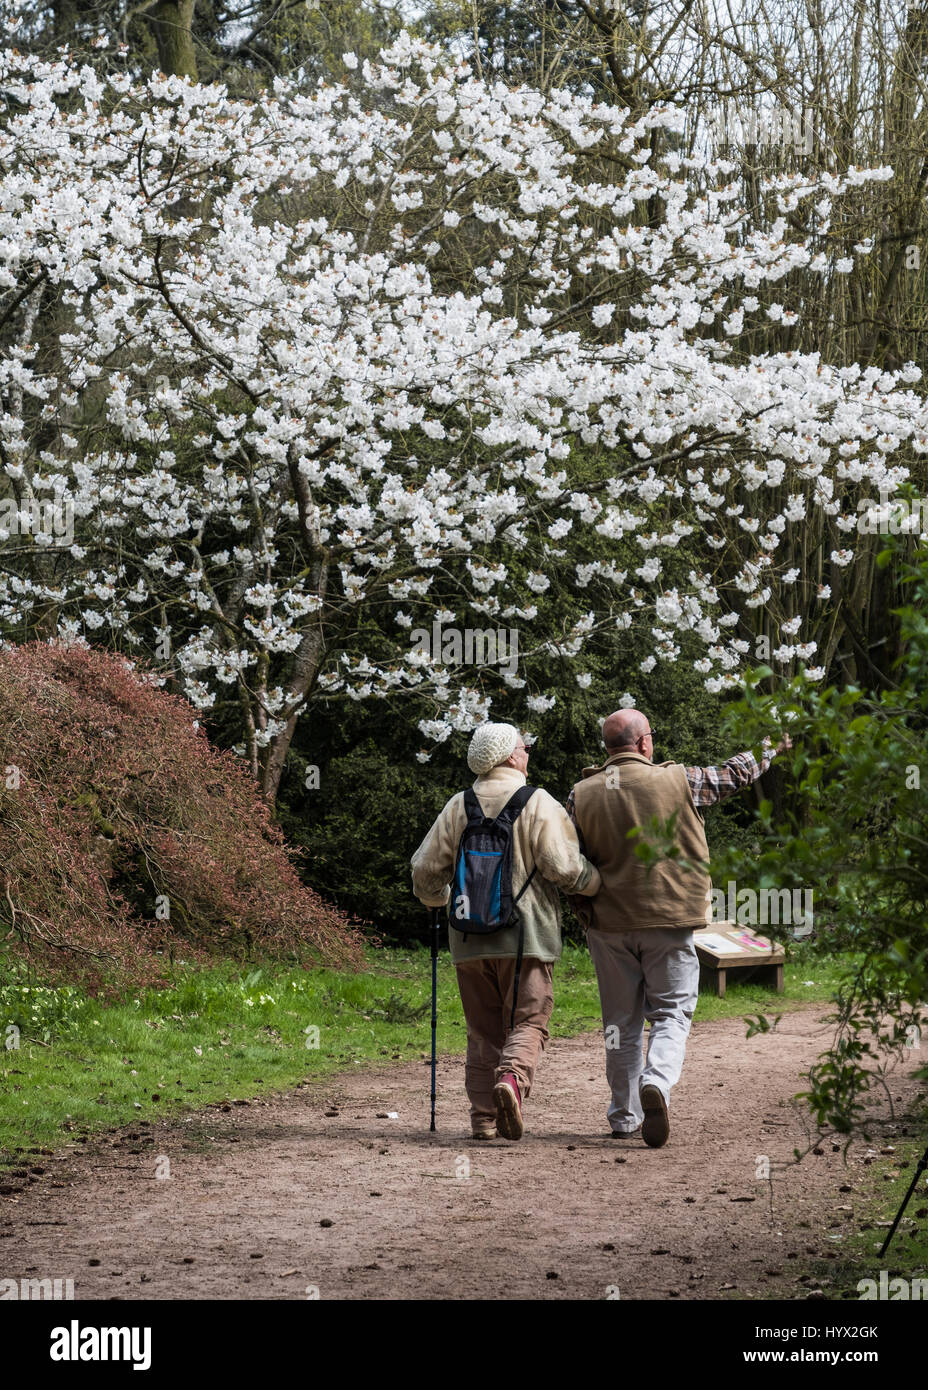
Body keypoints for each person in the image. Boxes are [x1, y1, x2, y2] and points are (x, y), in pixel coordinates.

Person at [567, 709, 791, 1148]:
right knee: (671, 1013)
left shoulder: (580, 795)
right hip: (669, 921)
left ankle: (624, 1115)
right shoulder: (680, 781)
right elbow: (734, 774)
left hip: (609, 925)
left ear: (608, 749)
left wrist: (579, 901)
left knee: (620, 1022)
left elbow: (564, 858)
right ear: (645, 744)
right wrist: (770, 747)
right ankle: (657, 1082)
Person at [412, 722, 601, 1141]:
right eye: (525, 747)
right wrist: (596, 883)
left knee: (482, 1030)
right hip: (525, 937)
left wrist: (438, 900)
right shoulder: (538, 803)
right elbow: (562, 867)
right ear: (511, 756)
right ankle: (512, 1081)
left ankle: (482, 1120)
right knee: (530, 1020)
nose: (528, 754)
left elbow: (424, 869)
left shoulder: (458, 805)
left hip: (467, 938)